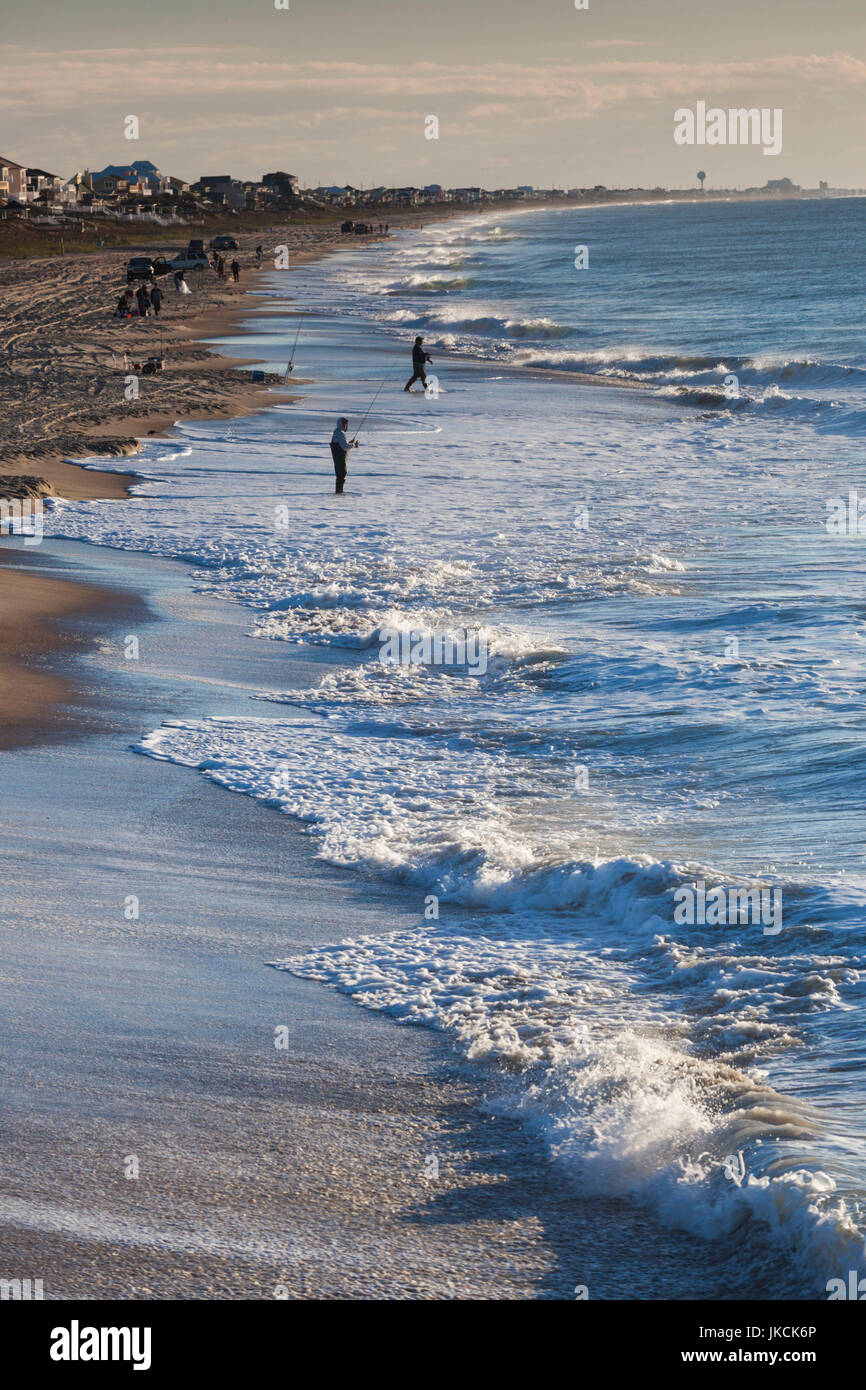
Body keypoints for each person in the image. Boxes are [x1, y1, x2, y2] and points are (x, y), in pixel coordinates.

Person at [330, 417, 358, 495]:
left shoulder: (338, 432)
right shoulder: (340, 433)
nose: (346, 426)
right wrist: (353, 445)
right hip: (339, 458)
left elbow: (342, 444)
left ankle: (339, 492)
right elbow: (344, 446)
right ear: (341, 424)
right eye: (345, 424)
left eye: (346, 424)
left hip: (338, 458)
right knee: (341, 474)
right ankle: (339, 493)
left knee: (340, 474)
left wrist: (349, 443)